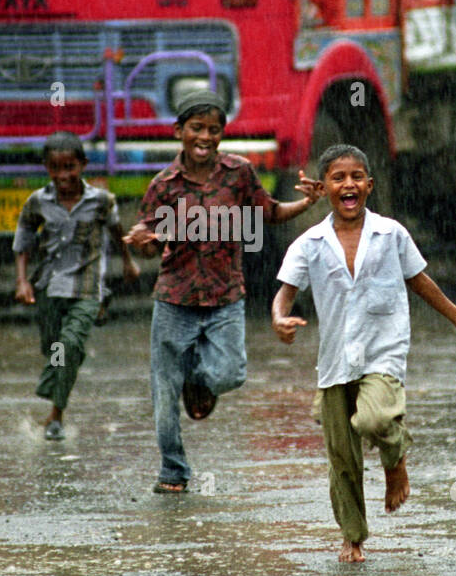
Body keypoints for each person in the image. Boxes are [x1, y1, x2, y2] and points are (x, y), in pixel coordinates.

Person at [272, 144, 456, 562]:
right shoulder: (310, 243)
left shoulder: (391, 233)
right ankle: (352, 538)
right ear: (324, 188)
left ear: (369, 185)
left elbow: (420, 280)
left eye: (357, 176)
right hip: (336, 359)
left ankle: (395, 459)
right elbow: (284, 293)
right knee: (341, 458)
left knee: (375, 417)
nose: (349, 184)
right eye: (338, 178)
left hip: (383, 350)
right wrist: (279, 319)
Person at [124, 91, 323, 494]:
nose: (205, 137)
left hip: (225, 297)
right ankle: (173, 471)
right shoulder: (163, 186)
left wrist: (306, 202)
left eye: (214, 130)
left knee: (230, 374)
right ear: (179, 132)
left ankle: (194, 379)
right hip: (174, 300)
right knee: (163, 397)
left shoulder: (239, 174)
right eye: (197, 128)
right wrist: (141, 242)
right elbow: (148, 244)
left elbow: (269, 212)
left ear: (222, 134)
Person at [13, 131, 140, 440]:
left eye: (70, 167)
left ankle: (55, 416)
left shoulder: (100, 200)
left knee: (67, 345)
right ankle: (67, 363)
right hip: (49, 285)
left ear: (82, 165)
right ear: (47, 169)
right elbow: (24, 238)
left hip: (87, 287)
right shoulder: (38, 202)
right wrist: (21, 281)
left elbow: (115, 230)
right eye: (56, 169)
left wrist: (128, 260)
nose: (63, 175)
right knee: (55, 348)